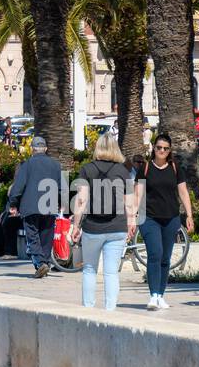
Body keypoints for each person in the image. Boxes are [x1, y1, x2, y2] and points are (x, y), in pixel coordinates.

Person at [71, 132, 134, 310]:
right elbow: (129, 202)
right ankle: (110, 310)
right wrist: (131, 223)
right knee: (111, 272)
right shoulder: (123, 171)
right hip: (117, 227)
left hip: (92, 227)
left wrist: (76, 225)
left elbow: (81, 200)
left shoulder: (87, 169)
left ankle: (88, 309)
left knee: (89, 269)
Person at [135, 132, 194, 310]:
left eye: (166, 148)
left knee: (165, 258)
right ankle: (153, 295)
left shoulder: (175, 168)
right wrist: (131, 217)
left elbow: (183, 192)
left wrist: (189, 215)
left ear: (169, 151)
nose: (162, 150)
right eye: (159, 147)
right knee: (155, 253)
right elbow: (137, 194)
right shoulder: (145, 168)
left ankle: (161, 295)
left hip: (171, 218)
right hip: (149, 218)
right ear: (154, 148)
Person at [8, 136, 62, 277]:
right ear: (45, 149)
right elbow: (61, 187)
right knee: (46, 236)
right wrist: (62, 203)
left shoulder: (27, 164)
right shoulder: (56, 165)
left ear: (32, 149)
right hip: (49, 206)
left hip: (30, 206)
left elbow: (18, 187)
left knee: (32, 236)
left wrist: (13, 203)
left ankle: (40, 263)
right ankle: (45, 262)